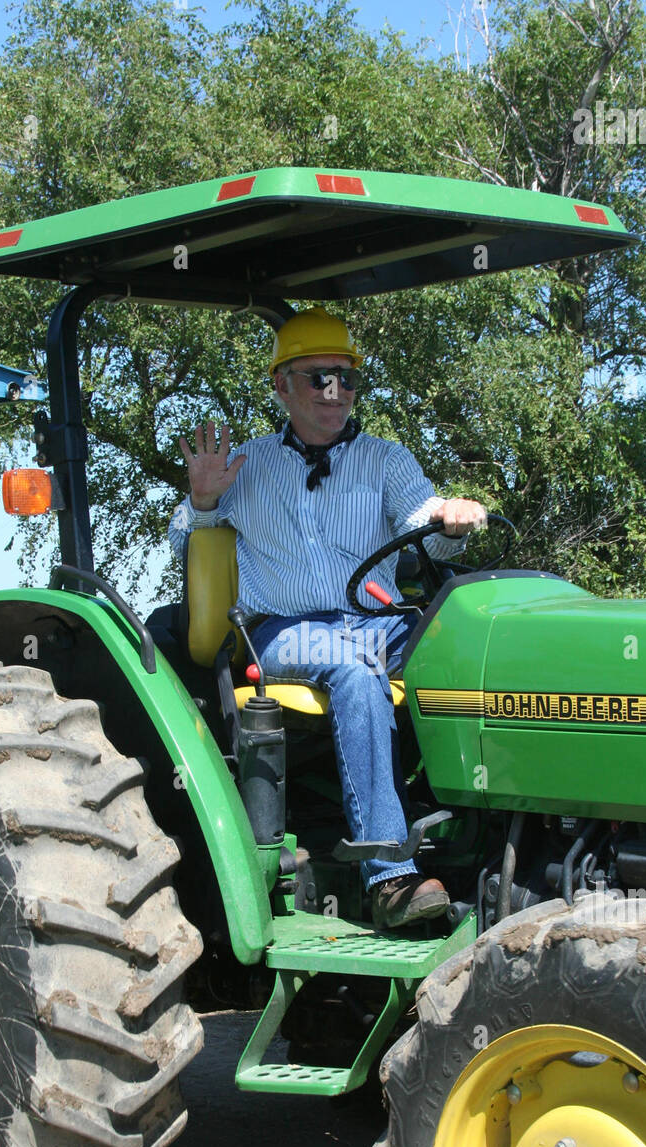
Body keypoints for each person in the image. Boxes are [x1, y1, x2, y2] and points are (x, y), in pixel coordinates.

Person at [169, 307, 486, 930]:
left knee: (478, 650)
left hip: (377, 621)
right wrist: (204, 499)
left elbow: (426, 524)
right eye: (319, 378)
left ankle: (493, 830)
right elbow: (185, 545)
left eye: (347, 379)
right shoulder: (248, 465)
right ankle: (388, 876)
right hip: (282, 630)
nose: (335, 393)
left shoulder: (387, 460)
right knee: (355, 670)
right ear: (282, 385)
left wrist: (451, 516)